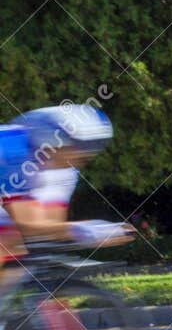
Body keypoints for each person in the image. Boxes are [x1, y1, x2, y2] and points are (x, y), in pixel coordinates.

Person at [0, 104, 131, 276]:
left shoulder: (66, 169)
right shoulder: (12, 151)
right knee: (7, 244)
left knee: (17, 254)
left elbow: (49, 226)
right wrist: (83, 230)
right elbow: (26, 227)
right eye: (80, 146)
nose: (85, 155)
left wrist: (83, 233)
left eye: (93, 147)